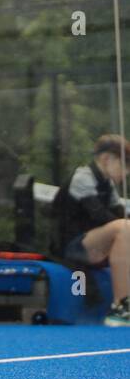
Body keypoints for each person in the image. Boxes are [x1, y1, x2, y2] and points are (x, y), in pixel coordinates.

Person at [55, 133, 130, 325]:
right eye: (124, 164)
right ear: (106, 159)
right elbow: (100, 217)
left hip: (93, 243)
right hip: (72, 247)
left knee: (125, 228)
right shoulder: (83, 177)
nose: (127, 171)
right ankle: (120, 307)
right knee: (124, 228)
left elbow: (118, 214)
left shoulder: (107, 184)